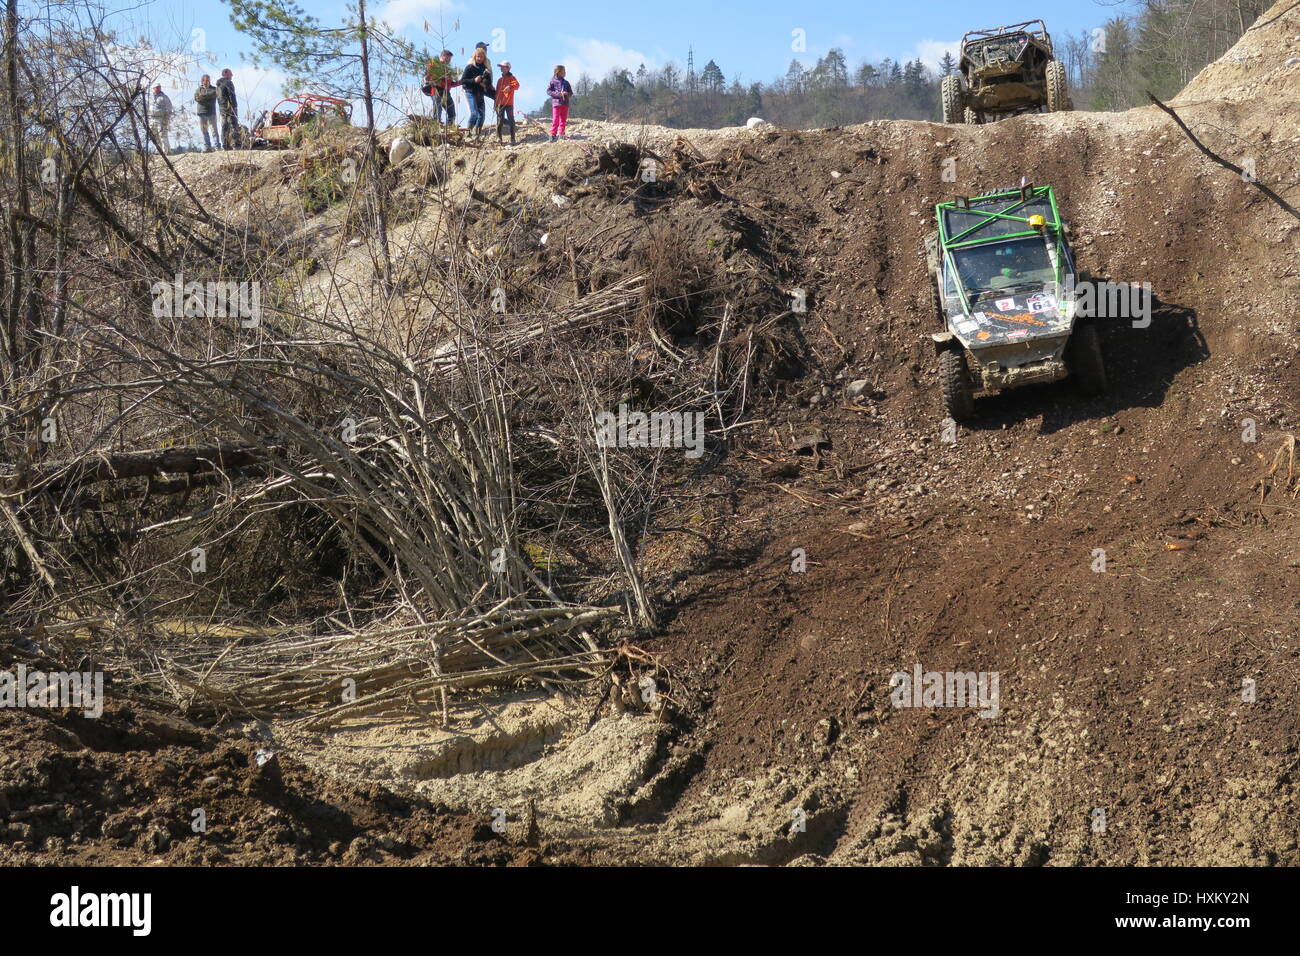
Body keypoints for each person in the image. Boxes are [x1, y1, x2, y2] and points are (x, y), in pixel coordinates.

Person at [460, 47, 494, 139]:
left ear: (484, 58)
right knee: (474, 113)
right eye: (478, 56)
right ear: (475, 57)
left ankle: (477, 134)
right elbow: (462, 81)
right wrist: (474, 80)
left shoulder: (485, 69)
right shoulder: (470, 67)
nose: (479, 58)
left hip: (480, 93)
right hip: (470, 92)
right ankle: (468, 133)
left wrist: (485, 83)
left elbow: (488, 82)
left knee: (482, 116)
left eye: (481, 57)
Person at [424, 49, 457, 126]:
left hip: (445, 92)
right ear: (442, 56)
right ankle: (436, 124)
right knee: (438, 107)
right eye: (447, 58)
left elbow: (450, 84)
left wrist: (459, 82)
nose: (448, 61)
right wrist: (428, 80)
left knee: (451, 110)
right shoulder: (434, 65)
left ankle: (450, 126)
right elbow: (427, 76)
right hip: (435, 89)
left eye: (449, 59)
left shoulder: (448, 70)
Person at [494, 60, 519, 145]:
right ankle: (499, 138)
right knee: (499, 121)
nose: (501, 68)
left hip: (509, 103)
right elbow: (497, 93)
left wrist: (510, 86)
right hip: (499, 104)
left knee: (511, 120)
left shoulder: (512, 78)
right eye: (500, 67)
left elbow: (517, 85)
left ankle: (513, 138)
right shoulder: (499, 80)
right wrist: (495, 104)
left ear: (507, 68)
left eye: (502, 66)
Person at [546, 65, 572, 142]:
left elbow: (571, 92)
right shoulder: (553, 81)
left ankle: (562, 134)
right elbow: (548, 91)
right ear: (558, 72)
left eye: (565, 71)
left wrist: (567, 94)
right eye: (563, 71)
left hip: (565, 103)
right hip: (556, 104)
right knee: (555, 119)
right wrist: (558, 94)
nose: (565, 73)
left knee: (563, 120)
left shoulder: (566, 82)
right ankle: (553, 135)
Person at [194, 75, 220, 151]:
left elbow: (213, 96)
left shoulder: (214, 89)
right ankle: (207, 146)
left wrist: (203, 97)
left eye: (208, 80)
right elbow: (197, 98)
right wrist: (207, 97)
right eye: (205, 80)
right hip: (202, 113)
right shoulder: (198, 90)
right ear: (202, 81)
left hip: (211, 112)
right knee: (204, 130)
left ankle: (217, 146)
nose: (206, 82)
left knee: (214, 130)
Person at [216, 69, 239, 150]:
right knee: (234, 125)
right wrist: (234, 107)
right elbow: (231, 95)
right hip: (230, 108)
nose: (232, 75)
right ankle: (236, 144)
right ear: (226, 74)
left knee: (224, 127)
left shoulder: (218, 84)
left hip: (222, 109)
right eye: (230, 74)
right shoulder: (228, 82)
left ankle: (225, 145)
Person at [150, 84, 173, 153]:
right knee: (154, 135)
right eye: (156, 87)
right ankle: (159, 150)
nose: (158, 88)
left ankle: (165, 151)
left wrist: (166, 119)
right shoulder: (151, 97)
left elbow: (169, 109)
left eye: (159, 87)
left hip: (161, 118)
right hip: (152, 118)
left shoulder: (164, 97)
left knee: (163, 135)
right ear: (153, 88)